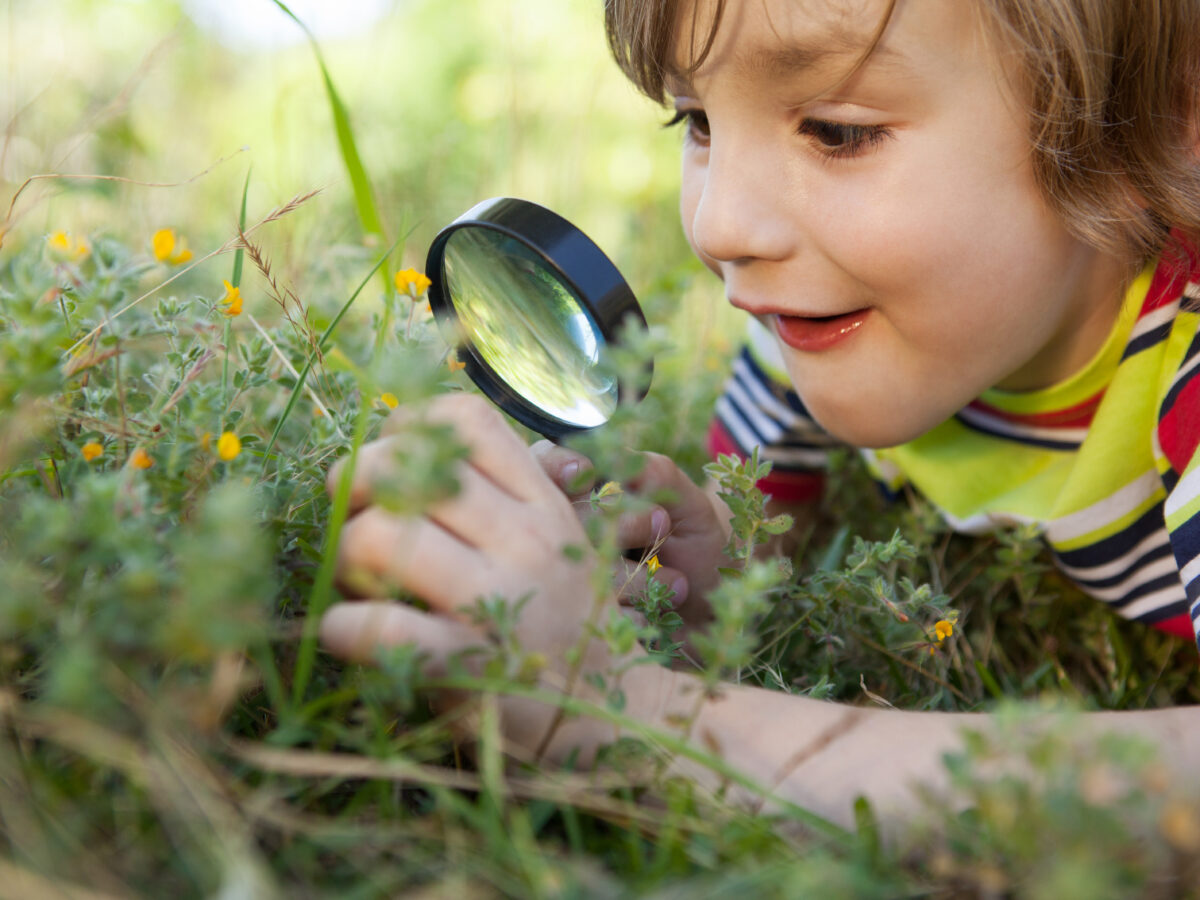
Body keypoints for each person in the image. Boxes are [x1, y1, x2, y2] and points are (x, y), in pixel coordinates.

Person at [319, 0, 1200, 831]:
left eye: (837, 130)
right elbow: (763, 552)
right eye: (698, 121)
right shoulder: (814, 325)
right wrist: (708, 587)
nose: (719, 227)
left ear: (1162, 123)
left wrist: (633, 718)